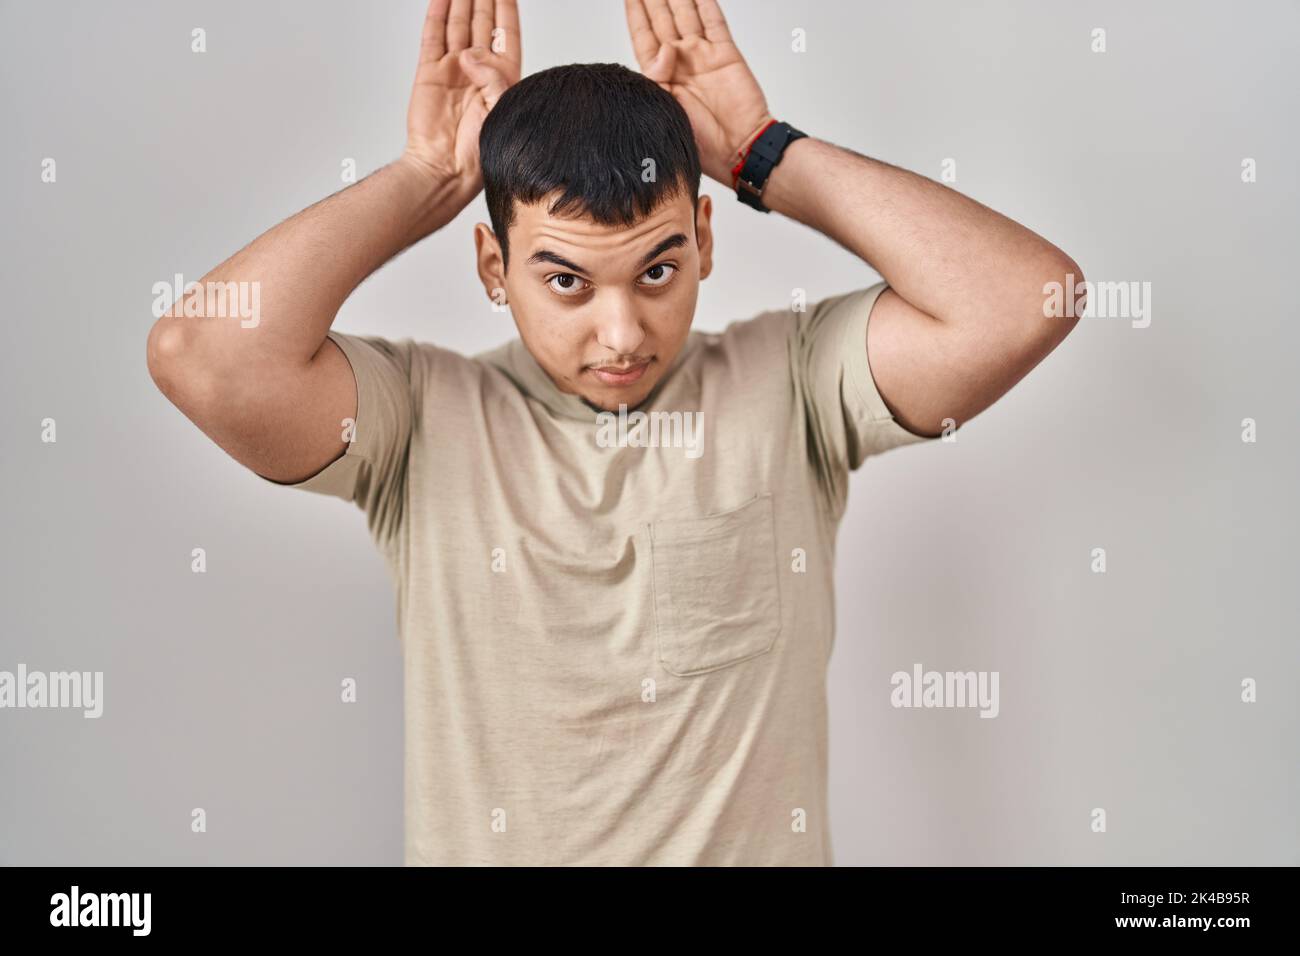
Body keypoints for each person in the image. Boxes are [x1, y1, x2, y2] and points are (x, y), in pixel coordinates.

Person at [146, 0, 1084, 865]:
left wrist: (762, 150)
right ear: (491, 264)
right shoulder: (420, 422)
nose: (622, 332)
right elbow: (202, 355)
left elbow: (1022, 301)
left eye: (658, 271)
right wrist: (427, 178)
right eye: (565, 282)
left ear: (705, 240)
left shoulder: (793, 384)